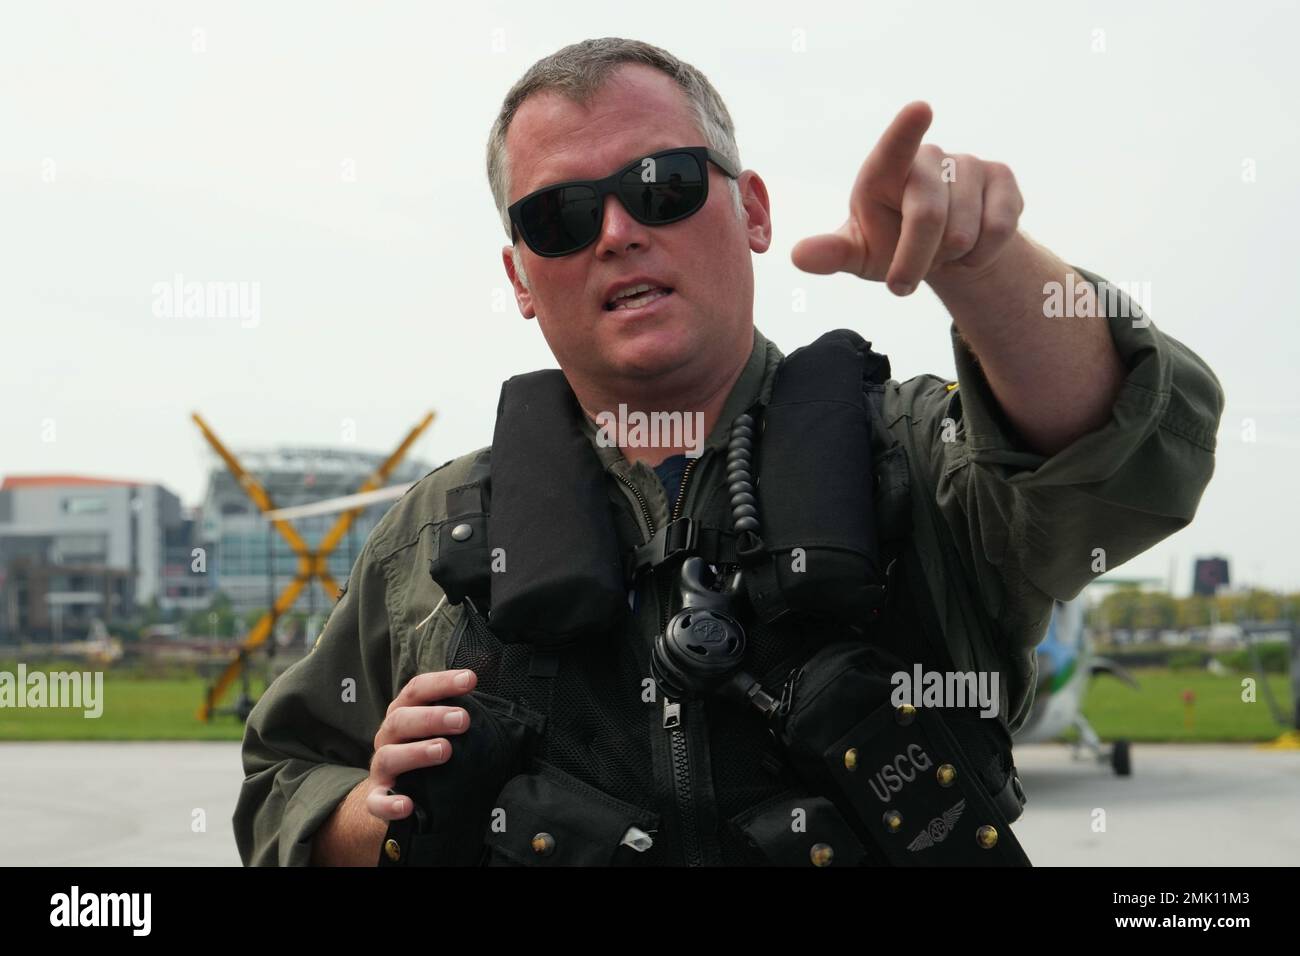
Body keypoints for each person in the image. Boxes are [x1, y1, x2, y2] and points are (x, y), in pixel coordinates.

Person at [233, 37, 1224, 867]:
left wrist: (987, 266)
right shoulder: (434, 537)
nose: (617, 231)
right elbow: (282, 778)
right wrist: (383, 812)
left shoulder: (918, 460)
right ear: (521, 276)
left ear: (752, 208)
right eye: (559, 217)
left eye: (660, 185)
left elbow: (1128, 463)